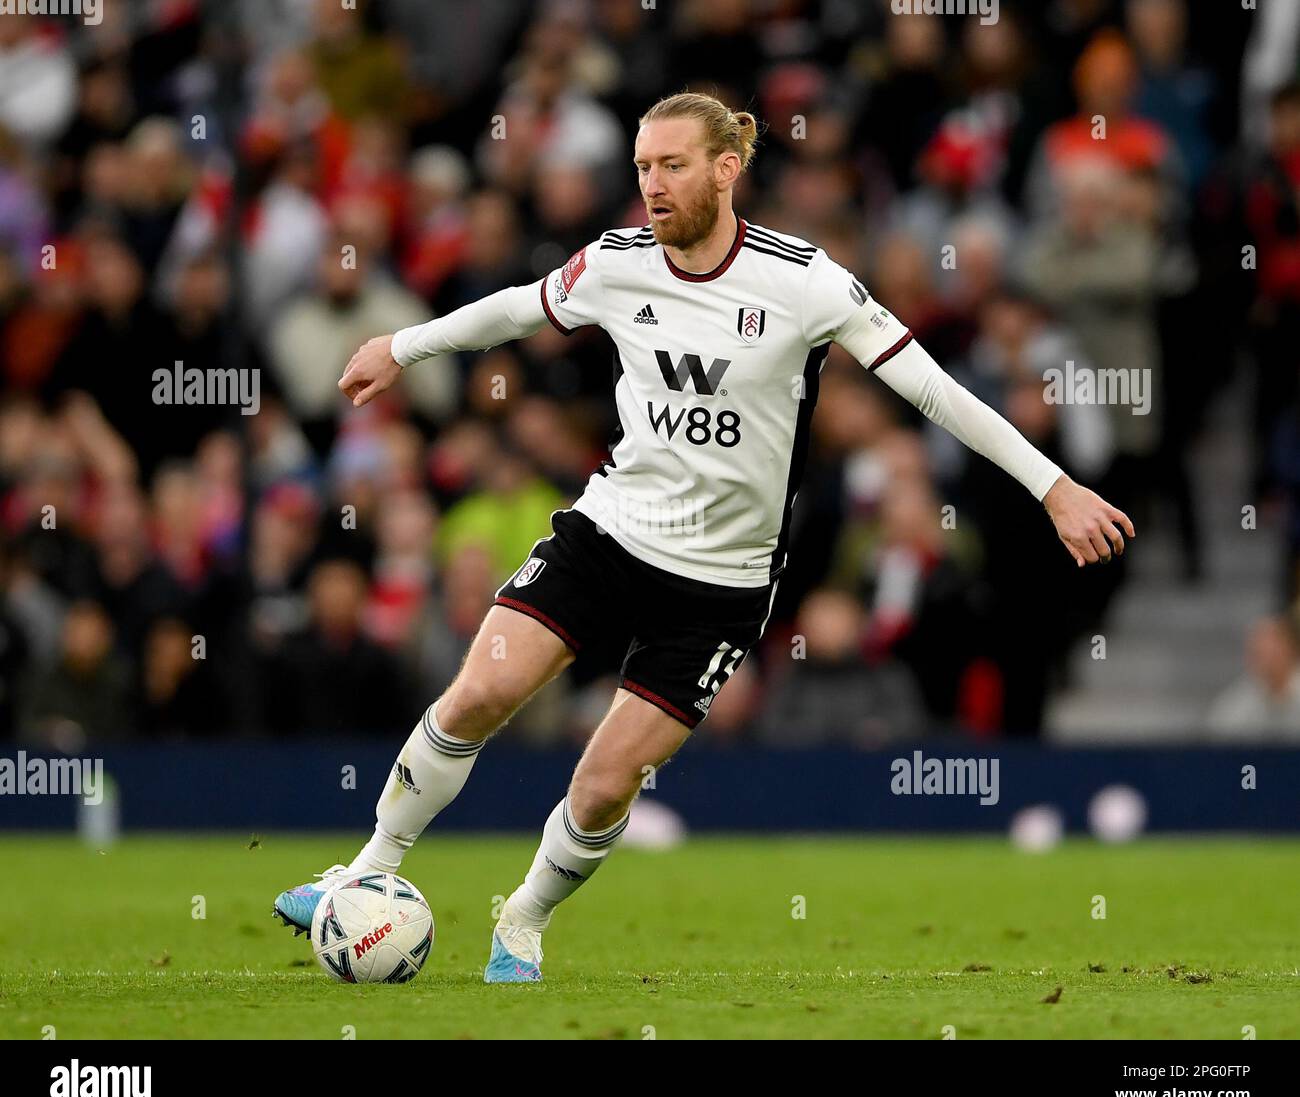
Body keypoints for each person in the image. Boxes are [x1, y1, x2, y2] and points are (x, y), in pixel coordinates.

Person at [271, 93, 1133, 983]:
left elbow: (933, 389)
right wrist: (402, 346)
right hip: (608, 534)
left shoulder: (806, 283)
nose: (651, 185)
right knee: (480, 690)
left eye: (671, 166)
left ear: (727, 169)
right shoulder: (615, 264)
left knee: (605, 785)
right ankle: (368, 868)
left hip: (721, 582)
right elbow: (515, 309)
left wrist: (1055, 486)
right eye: (643, 166)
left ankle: (522, 920)